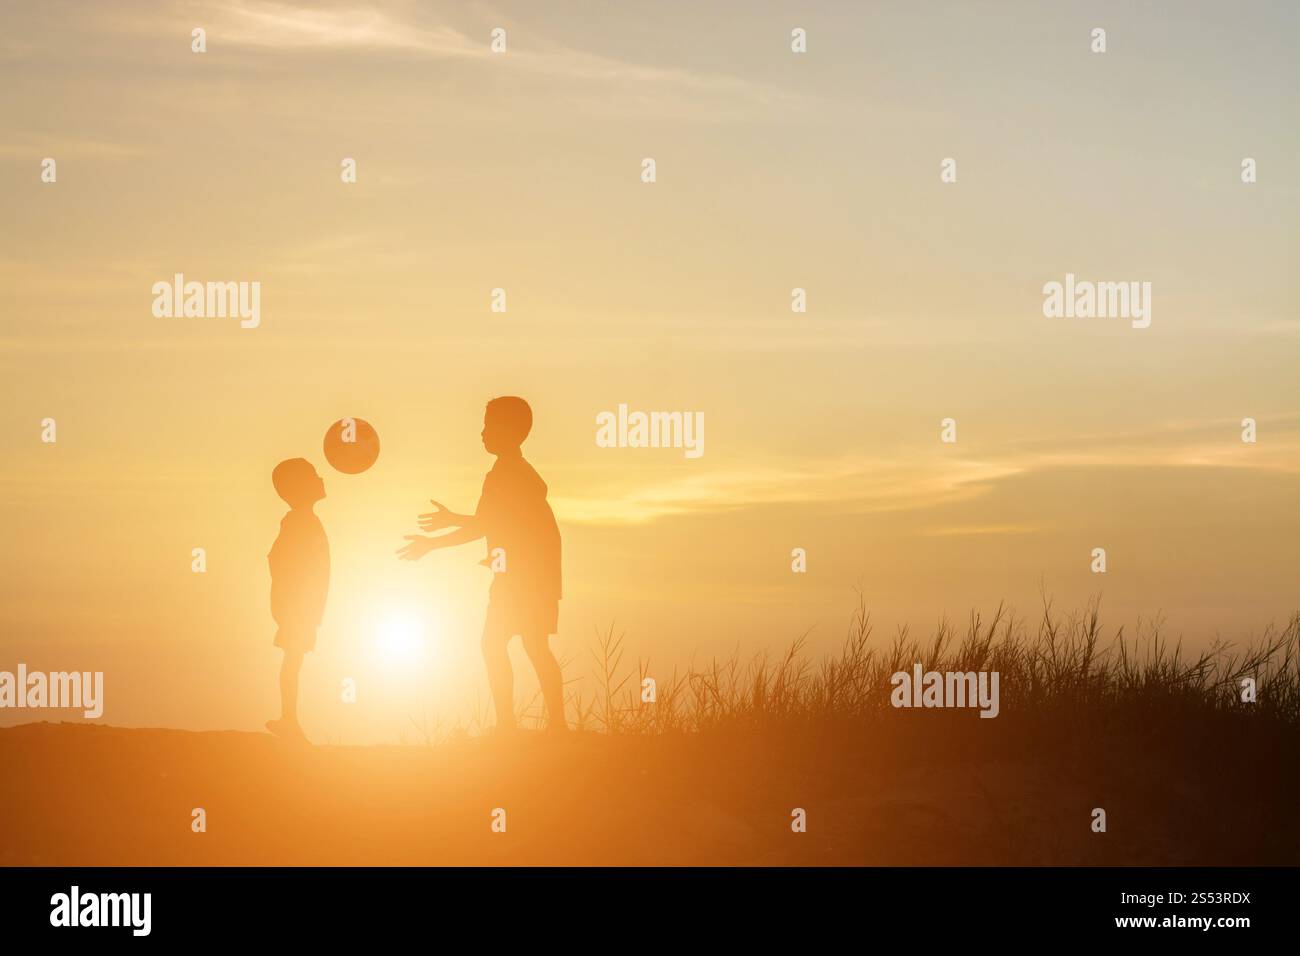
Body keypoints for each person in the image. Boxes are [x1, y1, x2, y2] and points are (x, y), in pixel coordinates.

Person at [398, 397, 565, 734]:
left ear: (512, 431)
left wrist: (435, 539)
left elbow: (484, 524)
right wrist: (445, 528)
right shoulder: (513, 472)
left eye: (489, 425)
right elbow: (489, 522)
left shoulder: (507, 474)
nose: (482, 433)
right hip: (531, 575)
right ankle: (551, 725)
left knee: (496, 644)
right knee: (532, 646)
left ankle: (511, 726)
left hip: (522, 577)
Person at [266, 458, 329, 742]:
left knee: (294, 658)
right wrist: (292, 598)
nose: (321, 479)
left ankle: (289, 719)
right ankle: (288, 720)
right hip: (297, 606)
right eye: (314, 475)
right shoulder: (297, 521)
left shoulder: (305, 520)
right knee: (293, 658)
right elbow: (276, 558)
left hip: (303, 606)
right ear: (299, 488)